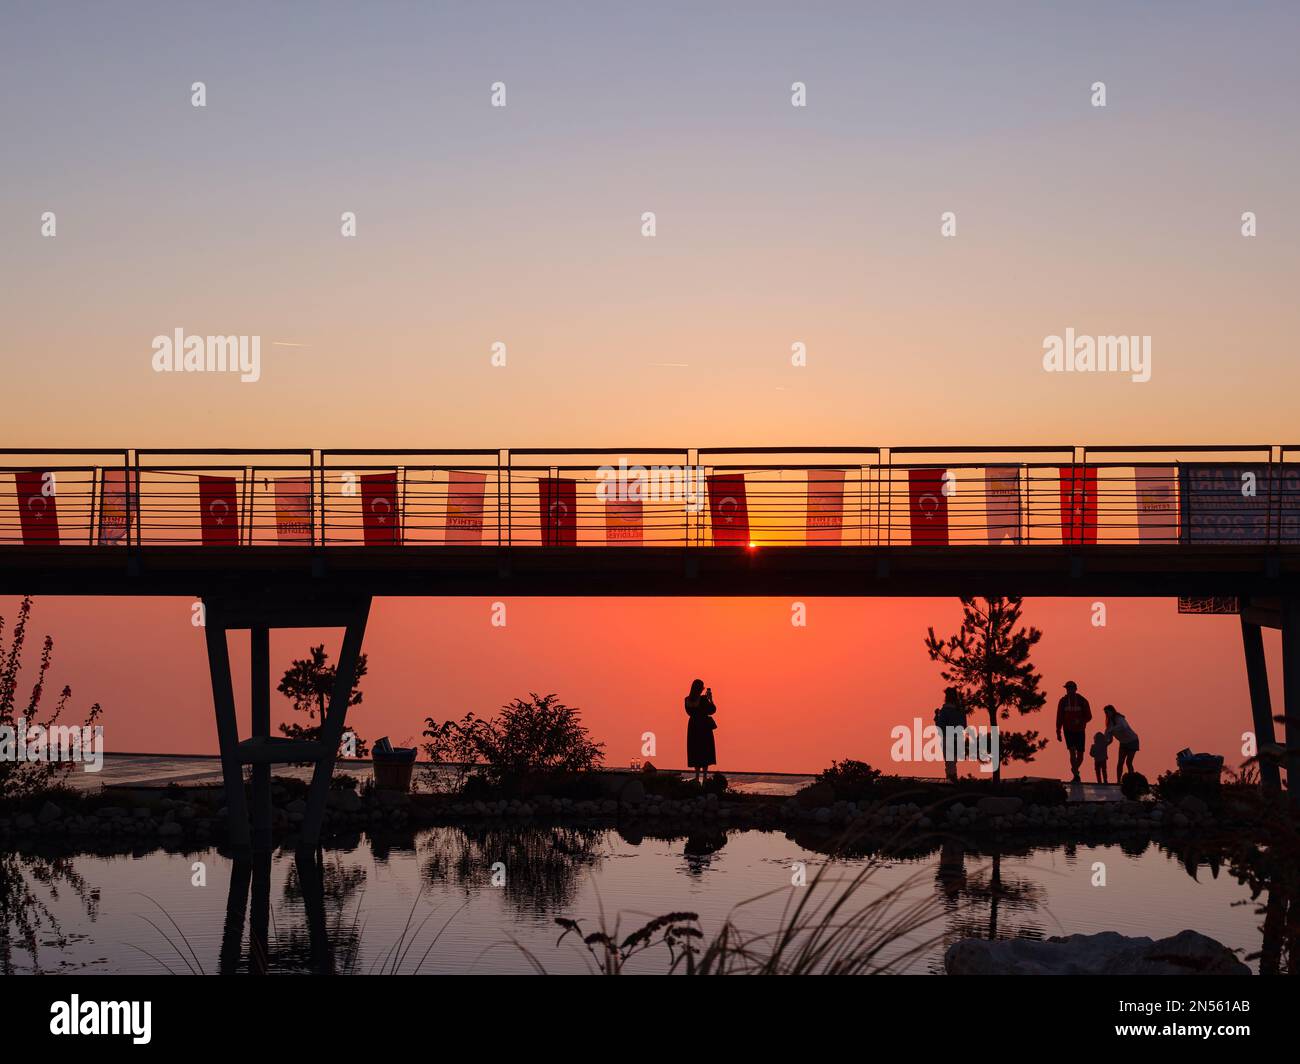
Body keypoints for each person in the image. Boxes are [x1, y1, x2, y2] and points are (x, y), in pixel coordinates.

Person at [1056, 680, 1092, 782]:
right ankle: (1076, 775)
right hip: (1068, 731)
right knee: (1072, 752)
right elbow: (1059, 717)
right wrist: (1058, 732)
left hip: (1080, 730)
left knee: (1080, 755)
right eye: (1067, 688)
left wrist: (1080, 721)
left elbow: (1089, 716)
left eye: (1070, 688)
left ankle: (1074, 769)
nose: (1069, 690)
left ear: (1075, 689)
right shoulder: (1062, 701)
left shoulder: (1082, 700)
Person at [684, 679, 717, 784]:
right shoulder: (703, 699)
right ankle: (705, 777)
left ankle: (697, 777)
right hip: (704, 726)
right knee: (705, 751)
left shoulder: (687, 700)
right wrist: (710, 699)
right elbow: (712, 710)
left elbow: (689, 713)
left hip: (693, 726)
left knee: (695, 751)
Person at [933, 686, 968, 782]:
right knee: (953, 763)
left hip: (947, 739)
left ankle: (951, 783)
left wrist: (937, 718)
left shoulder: (945, 711)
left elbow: (940, 727)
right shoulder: (961, 711)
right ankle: (953, 781)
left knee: (949, 764)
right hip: (958, 739)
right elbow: (964, 726)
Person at [1104, 704, 1140, 782]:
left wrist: (1112, 730)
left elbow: (1123, 726)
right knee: (1120, 762)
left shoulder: (1119, 718)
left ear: (1112, 711)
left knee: (1128, 762)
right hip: (1123, 743)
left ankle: (1132, 780)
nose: (1106, 714)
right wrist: (1105, 744)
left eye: (1107, 712)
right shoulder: (1109, 724)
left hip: (1132, 741)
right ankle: (1118, 781)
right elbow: (1109, 739)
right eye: (1105, 713)